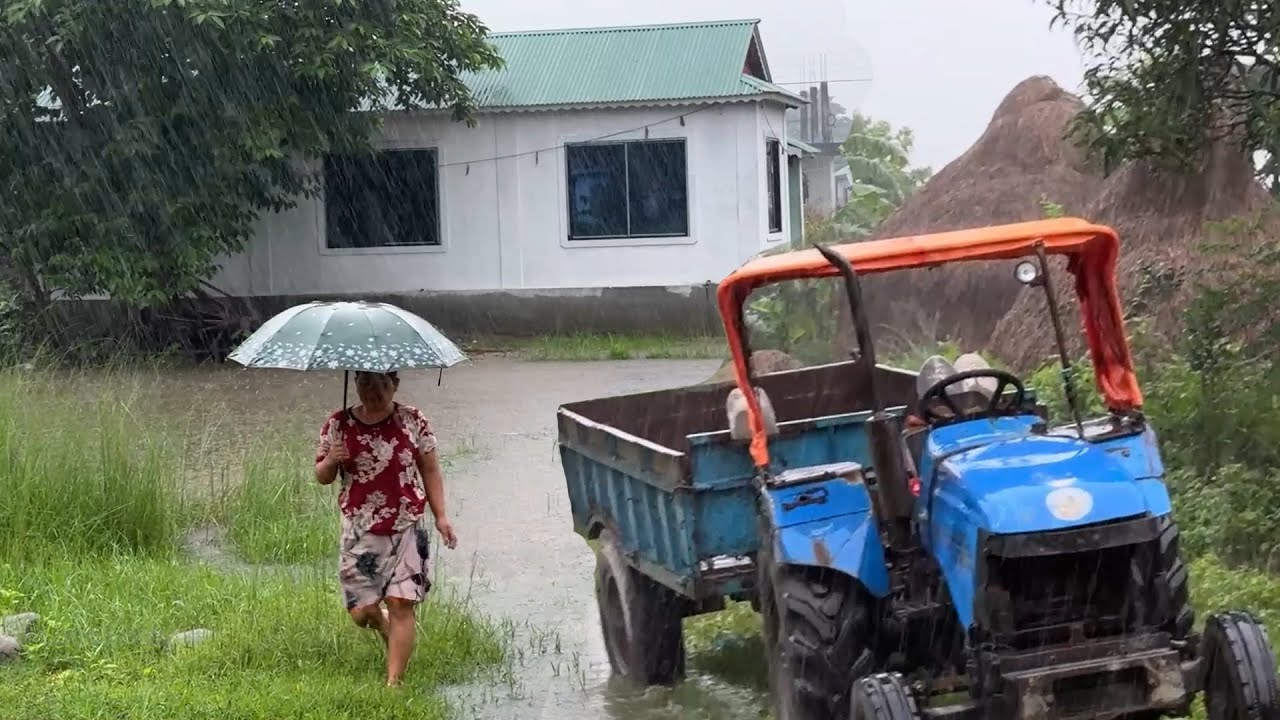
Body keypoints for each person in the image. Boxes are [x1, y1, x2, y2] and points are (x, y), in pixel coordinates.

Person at [313, 370, 459, 687]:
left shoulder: (412, 420)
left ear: (394, 385)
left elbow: (430, 468)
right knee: (361, 611)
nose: (373, 392)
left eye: (381, 385)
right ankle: (382, 625)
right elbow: (322, 476)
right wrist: (332, 460)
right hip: (359, 528)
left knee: (401, 603)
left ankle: (394, 685)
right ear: (355, 385)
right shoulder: (338, 423)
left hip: (406, 524)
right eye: (365, 383)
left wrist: (441, 516)